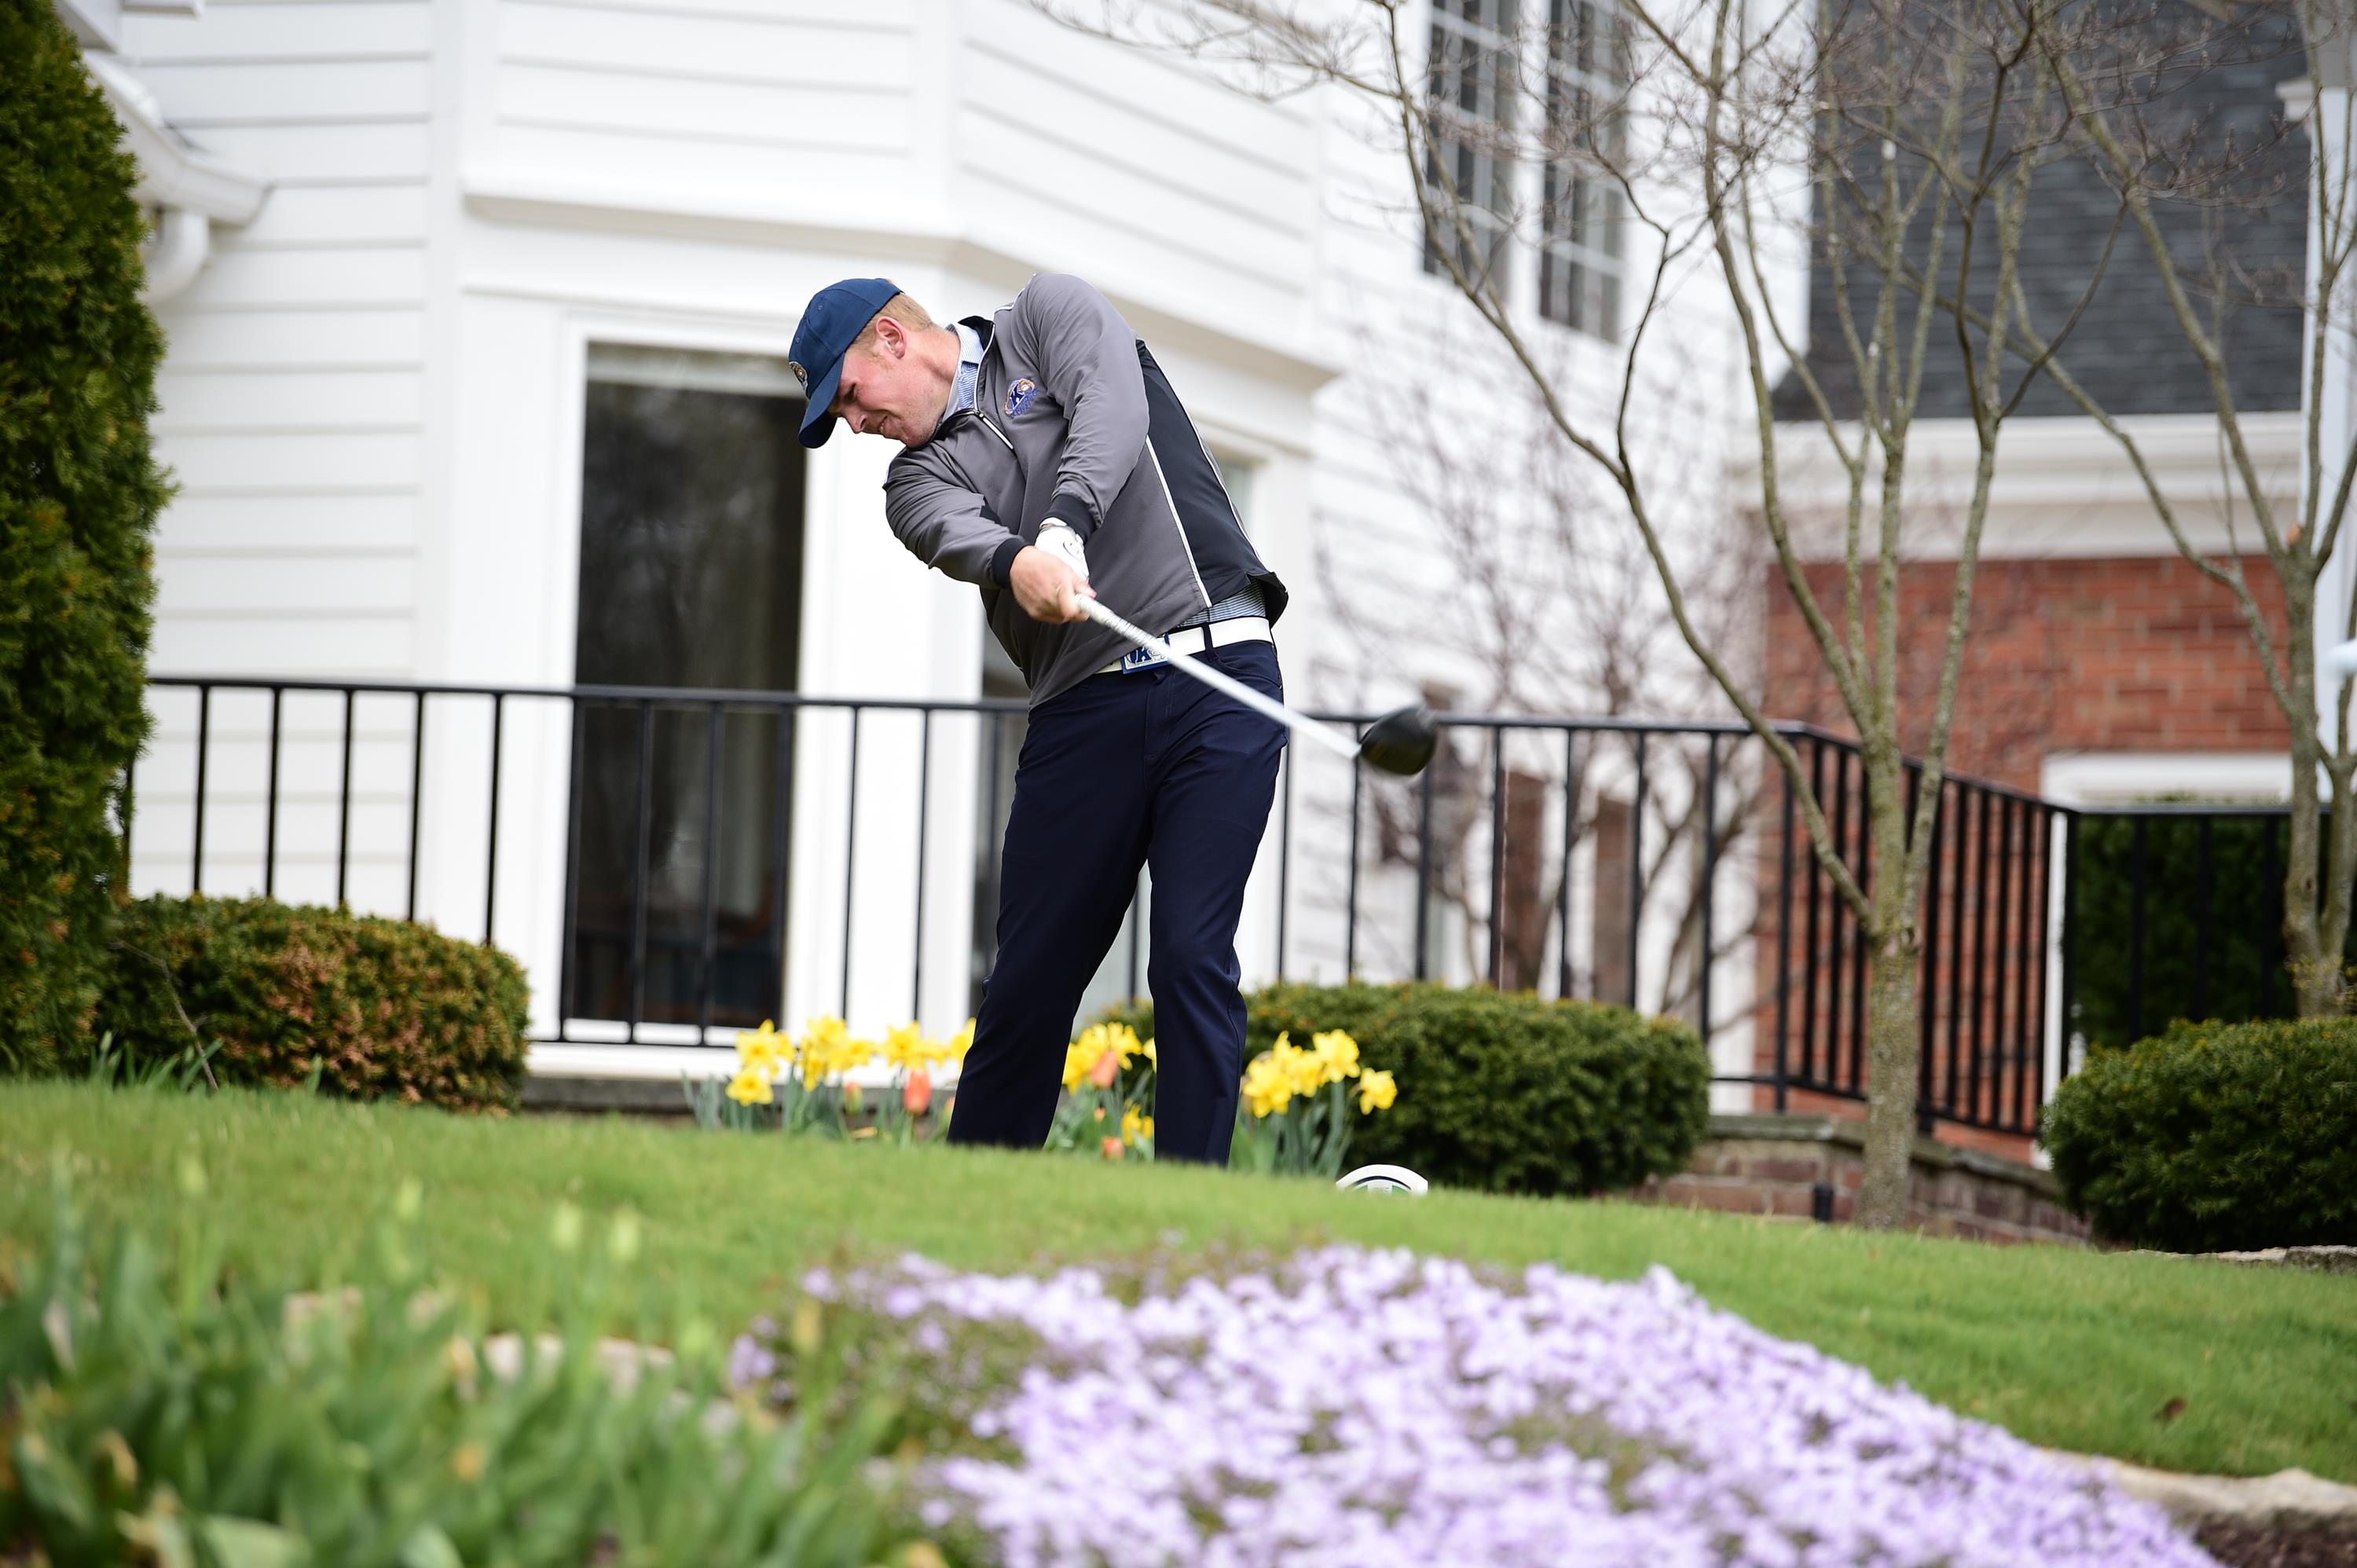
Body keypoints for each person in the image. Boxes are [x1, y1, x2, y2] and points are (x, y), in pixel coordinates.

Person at [789, 273, 1288, 1163]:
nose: (856, 426)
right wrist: (1025, 560)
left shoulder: (1046, 317)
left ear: (892, 341)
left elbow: (1113, 406)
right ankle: (971, 1198)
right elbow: (960, 536)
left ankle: (1192, 1204)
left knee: (1188, 955)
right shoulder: (915, 480)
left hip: (1217, 671)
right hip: (1083, 714)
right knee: (1028, 980)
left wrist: (1066, 525)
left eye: (852, 398)